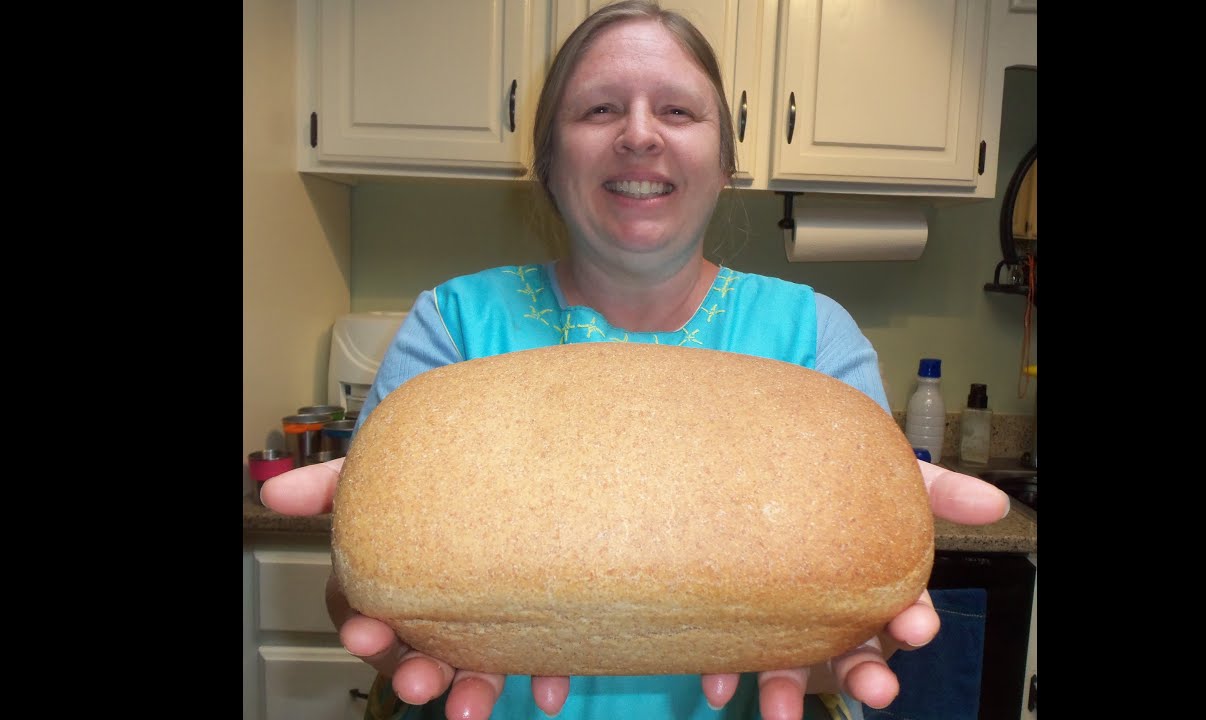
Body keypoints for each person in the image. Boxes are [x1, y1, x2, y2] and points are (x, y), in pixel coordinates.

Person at [261, 2, 1011, 719]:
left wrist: (847, 631)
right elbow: (365, 583)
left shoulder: (814, 336)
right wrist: (383, 617)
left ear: (725, 160)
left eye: (679, 111)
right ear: (550, 162)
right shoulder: (453, 325)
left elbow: (856, 584)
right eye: (599, 109)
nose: (640, 135)